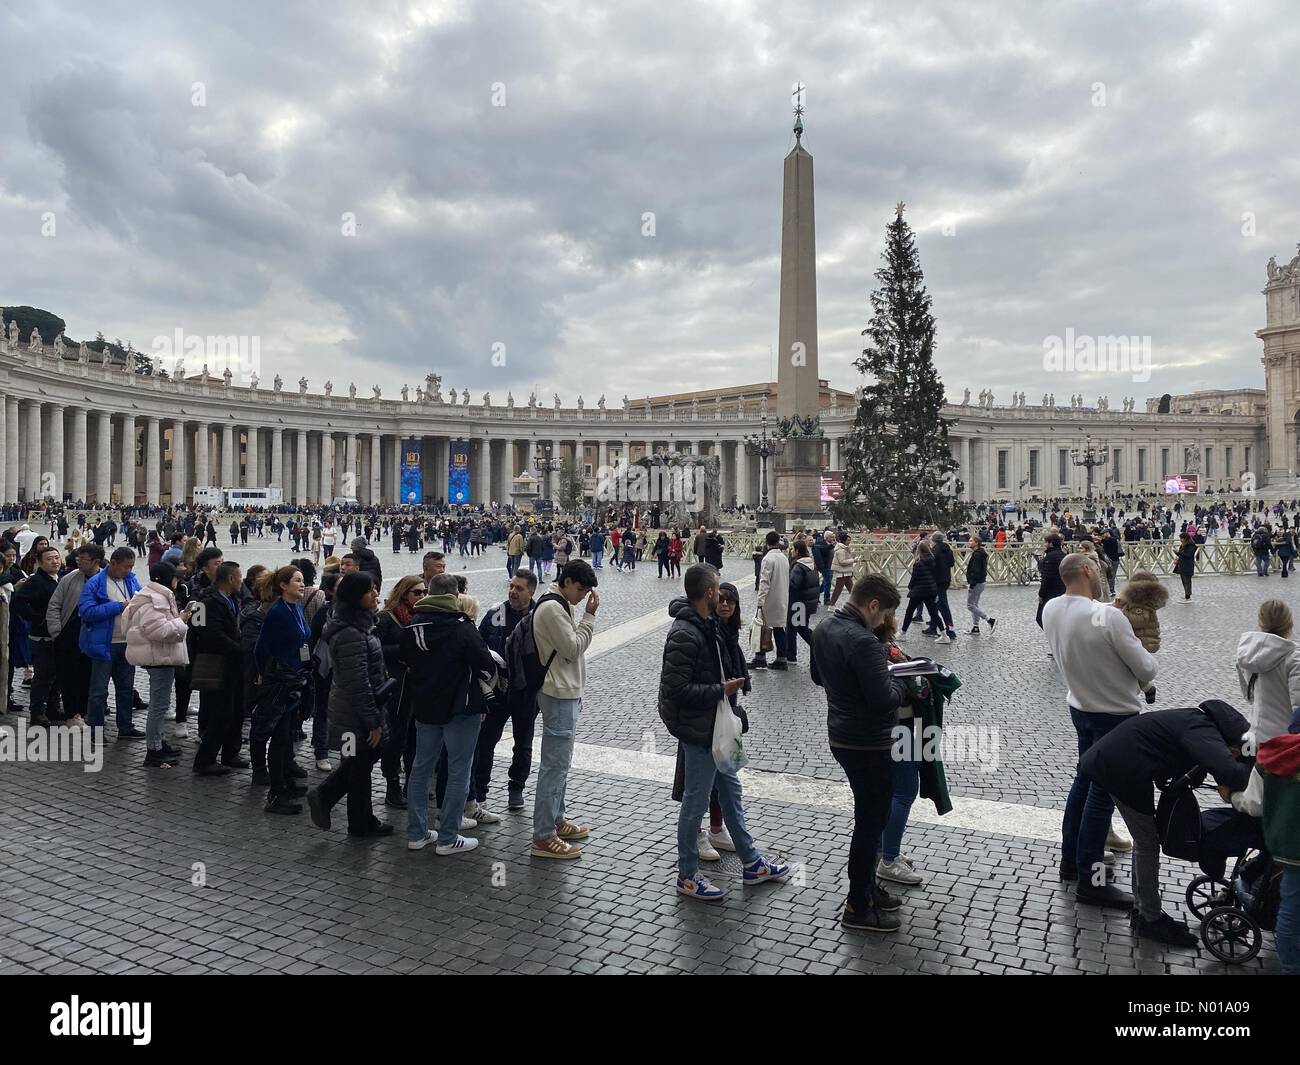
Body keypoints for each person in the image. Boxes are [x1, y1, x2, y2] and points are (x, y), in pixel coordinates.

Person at [659, 564, 789, 900]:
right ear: (707, 593)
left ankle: (752, 863)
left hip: (718, 725)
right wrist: (720, 689)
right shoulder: (685, 633)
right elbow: (675, 689)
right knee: (694, 802)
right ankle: (687, 875)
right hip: (700, 730)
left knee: (731, 794)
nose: (722, 592)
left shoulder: (708, 624)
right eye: (718, 587)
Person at [1080, 701, 1252, 947]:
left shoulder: (1197, 721)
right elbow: (1230, 770)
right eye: (1235, 751)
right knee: (1148, 844)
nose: (1235, 755)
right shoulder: (1202, 731)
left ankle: (1143, 910)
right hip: (1119, 769)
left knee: (1144, 842)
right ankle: (1150, 918)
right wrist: (1245, 780)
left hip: (1118, 762)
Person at [1043, 552, 1156, 909]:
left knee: (1083, 784)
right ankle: (1092, 880)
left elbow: (1088, 616)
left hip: (1080, 707)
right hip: (1115, 716)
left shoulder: (1051, 609)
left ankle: (1070, 863)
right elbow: (1146, 668)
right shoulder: (1109, 617)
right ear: (1089, 571)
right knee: (1101, 796)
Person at [810, 573, 908, 931]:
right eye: (883, 615)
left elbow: (818, 678)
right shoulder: (864, 641)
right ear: (872, 606)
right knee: (870, 825)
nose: (883, 623)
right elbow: (883, 700)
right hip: (868, 742)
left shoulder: (823, 628)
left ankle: (868, 886)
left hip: (841, 735)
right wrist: (901, 682)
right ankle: (858, 905)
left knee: (869, 819)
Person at [401, 573, 499, 854]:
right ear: (455, 597)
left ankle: (417, 833)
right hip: (460, 706)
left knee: (420, 767)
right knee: (459, 769)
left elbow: (407, 659)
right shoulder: (461, 626)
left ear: (430, 592)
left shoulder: (413, 624)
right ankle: (448, 836)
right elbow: (485, 664)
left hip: (424, 705)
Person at [307, 572, 392, 836]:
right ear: (356, 597)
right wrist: (373, 723)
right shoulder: (350, 633)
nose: (376, 594)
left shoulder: (359, 624)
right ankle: (328, 798)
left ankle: (360, 819)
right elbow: (358, 684)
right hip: (353, 713)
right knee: (359, 762)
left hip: (354, 709)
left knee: (359, 763)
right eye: (370, 591)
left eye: (376, 589)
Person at [530, 559, 599, 859]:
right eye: (580, 589)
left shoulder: (562, 604)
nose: (583, 596)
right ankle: (543, 835)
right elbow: (572, 650)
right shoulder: (553, 608)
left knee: (562, 762)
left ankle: (556, 818)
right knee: (554, 765)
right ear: (567, 581)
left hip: (565, 690)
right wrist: (590, 618)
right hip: (556, 691)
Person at [475, 570, 540, 813]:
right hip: (497, 690)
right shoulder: (496, 613)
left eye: (519, 588)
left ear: (531, 592)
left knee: (523, 743)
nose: (513, 591)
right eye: (511, 586)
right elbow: (479, 645)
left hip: (527, 692)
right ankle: (480, 790)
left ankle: (517, 787)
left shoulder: (540, 617)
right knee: (486, 741)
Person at [251, 565, 312, 813]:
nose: (302, 583)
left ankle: (285, 781)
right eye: (297, 580)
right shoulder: (277, 612)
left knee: (286, 736)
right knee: (278, 738)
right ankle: (276, 794)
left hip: (295, 680)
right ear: (283, 585)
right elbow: (261, 649)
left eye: (303, 580)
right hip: (280, 684)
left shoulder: (295, 606)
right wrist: (265, 675)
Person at [122, 562, 192, 767]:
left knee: (160, 704)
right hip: (158, 657)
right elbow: (158, 631)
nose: (178, 581)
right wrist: (182, 620)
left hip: (160, 655)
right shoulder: (156, 600)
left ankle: (160, 742)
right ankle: (154, 750)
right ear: (167, 578)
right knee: (159, 706)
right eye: (176, 577)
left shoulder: (154, 595)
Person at [80, 546, 142, 737]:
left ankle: (125, 727)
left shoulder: (131, 581)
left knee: (125, 689)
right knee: (99, 691)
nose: (129, 570)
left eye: (131, 566)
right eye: (125, 567)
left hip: (126, 643)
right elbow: (86, 612)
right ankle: (95, 730)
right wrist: (119, 606)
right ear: (113, 563)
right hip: (103, 644)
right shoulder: (95, 583)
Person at [190, 561, 245, 775]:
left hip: (233, 664)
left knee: (236, 711)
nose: (241, 580)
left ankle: (231, 753)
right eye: (239, 576)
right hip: (217, 664)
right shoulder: (206, 601)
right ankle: (205, 759)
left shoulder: (233, 598)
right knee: (220, 713)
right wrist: (240, 649)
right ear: (230, 579)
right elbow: (207, 634)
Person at [376, 575, 424, 809]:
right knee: (396, 736)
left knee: (415, 736)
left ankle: (411, 784)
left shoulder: (421, 617)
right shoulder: (387, 617)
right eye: (417, 592)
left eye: (424, 592)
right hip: (397, 685)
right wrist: (404, 650)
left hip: (417, 684)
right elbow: (376, 649)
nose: (422, 596)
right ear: (404, 593)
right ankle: (392, 785)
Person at [46, 543, 102, 729]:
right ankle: (72, 714)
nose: (78, 562)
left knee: (89, 676)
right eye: (78, 558)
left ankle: (86, 711)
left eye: (83, 559)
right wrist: (56, 632)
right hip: (69, 635)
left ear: (95, 561)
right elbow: (54, 605)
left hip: (94, 636)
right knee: (68, 676)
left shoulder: (105, 580)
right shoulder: (69, 579)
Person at [1236, 599, 1300, 745]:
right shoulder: (1294, 659)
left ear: (1260, 622)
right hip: (1285, 741)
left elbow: (1249, 696)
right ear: (1290, 622)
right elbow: (1299, 709)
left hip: (1256, 734)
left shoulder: (1245, 654)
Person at [11, 544, 62, 725]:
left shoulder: (60, 578)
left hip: (58, 635)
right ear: (39, 562)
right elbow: (18, 602)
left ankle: (53, 708)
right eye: (49, 559)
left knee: (56, 674)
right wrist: (37, 618)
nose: (55, 561)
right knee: (43, 675)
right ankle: (37, 711)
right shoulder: (36, 581)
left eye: (56, 557)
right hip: (42, 636)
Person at [750, 531, 789, 671]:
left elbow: (764, 582)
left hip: (769, 600)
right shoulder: (784, 558)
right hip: (782, 598)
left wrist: (760, 602)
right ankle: (782, 658)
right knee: (779, 629)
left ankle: (760, 657)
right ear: (778, 542)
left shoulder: (768, 559)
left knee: (761, 627)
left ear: (767, 543)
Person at [782, 540, 819, 664]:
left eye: (792, 549)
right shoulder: (811, 563)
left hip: (798, 602)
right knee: (800, 627)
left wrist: (785, 579)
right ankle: (791, 654)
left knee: (794, 628)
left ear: (797, 551)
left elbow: (794, 584)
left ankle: (791, 655)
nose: (791, 551)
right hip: (808, 602)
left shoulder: (798, 566)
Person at [1113, 571, 1167, 653]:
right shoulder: (1140, 601)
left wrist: (1120, 611)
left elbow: (1137, 621)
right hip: (1141, 641)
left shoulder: (1140, 605)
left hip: (1143, 642)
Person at [899, 539, 940, 637]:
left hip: (918, 591)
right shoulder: (932, 560)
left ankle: (903, 633)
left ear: (919, 550)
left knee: (909, 612)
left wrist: (910, 587)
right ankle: (944, 634)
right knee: (934, 613)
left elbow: (914, 578)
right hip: (930, 590)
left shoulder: (918, 563)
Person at [1036, 531, 1066, 639]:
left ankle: (1057, 640)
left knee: (1041, 618)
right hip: (1062, 590)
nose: (1044, 545)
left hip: (1051, 592)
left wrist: (1041, 594)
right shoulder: (1063, 554)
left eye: (1045, 542)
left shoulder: (1050, 557)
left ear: (1051, 544)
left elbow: (1047, 577)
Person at [964, 536, 994, 634]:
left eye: (971, 540)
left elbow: (975, 571)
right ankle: (976, 627)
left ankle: (990, 620)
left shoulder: (977, 555)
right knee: (974, 605)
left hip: (976, 583)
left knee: (970, 605)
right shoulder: (980, 553)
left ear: (976, 543)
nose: (969, 542)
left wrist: (972, 585)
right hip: (981, 582)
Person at [828, 532, 854, 606]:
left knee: (851, 589)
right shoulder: (841, 550)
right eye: (848, 540)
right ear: (844, 541)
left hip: (846, 572)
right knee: (838, 590)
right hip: (842, 572)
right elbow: (842, 562)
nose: (849, 542)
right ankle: (831, 605)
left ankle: (857, 604)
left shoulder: (844, 548)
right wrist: (853, 560)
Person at [1172, 531, 1197, 601]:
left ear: (1185, 538)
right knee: (1183, 581)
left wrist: (1179, 552)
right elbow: (1181, 554)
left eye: (1181, 538)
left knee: (1187, 581)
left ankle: (1188, 596)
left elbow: (1188, 555)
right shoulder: (1183, 545)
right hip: (1182, 565)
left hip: (1188, 565)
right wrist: (1177, 553)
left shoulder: (1191, 545)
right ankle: (1186, 594)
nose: (1180, 540)